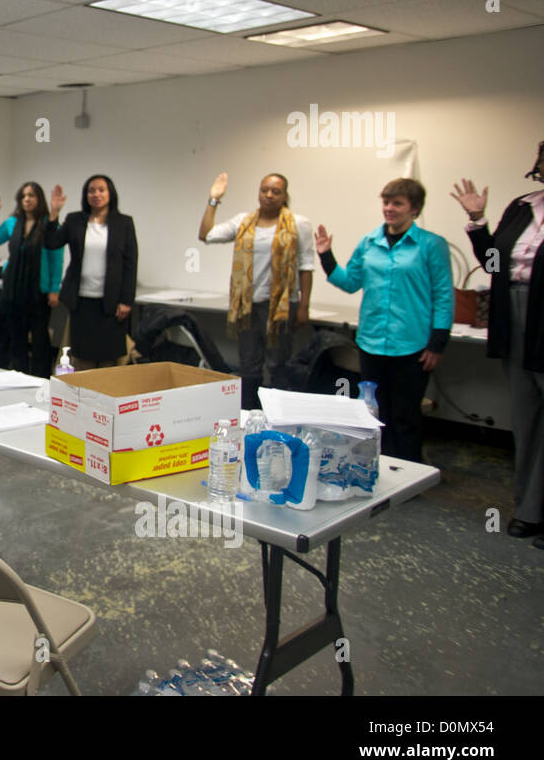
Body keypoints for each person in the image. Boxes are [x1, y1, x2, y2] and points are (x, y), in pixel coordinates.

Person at [316, 178, 453, 463]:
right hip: (371, 343)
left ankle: (408, 473)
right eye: (386, 202)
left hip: (412, 346)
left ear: (414, 209)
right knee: (374, 414)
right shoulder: (369, 243)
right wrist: (326, 256)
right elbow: (351, 282)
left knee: (406, 416)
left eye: (397, 203)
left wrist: (437, 343)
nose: (389, 208)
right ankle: (377, 470)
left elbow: (443, 295)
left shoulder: (431, 245)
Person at [451, 143, 544, 548]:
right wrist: (477, 220)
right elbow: (492, 264)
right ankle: (530, 511)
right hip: (517, 319)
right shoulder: (523, 206)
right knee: (527, 421)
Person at [199, 172, 315, 410]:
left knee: (277, 365)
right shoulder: (244, 221)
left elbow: (306, 265)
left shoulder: (298, 224)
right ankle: (248, 417)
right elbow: (206, 235)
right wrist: (213, 200)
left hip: (281, 307)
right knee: (249, 366)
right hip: (248, 306)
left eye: (276, 191)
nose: (269, 195)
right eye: (265, 190)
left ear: (285, 196)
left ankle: (277, 418)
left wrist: (304, 306)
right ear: (259, 192)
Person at [44, 175, 138, 370]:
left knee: (109, 358)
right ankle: (84, 396)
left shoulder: (124, 223)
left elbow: (131, 264)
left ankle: (107, 396)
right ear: (85, 195)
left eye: (101, 190)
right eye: (91, 190)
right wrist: (53, 213)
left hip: (112, 304)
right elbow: (51, 242)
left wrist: (127, 300)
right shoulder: (74, 220)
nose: (96, 194)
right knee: (83, 356)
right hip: (82, 301)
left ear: (110, 193)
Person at [0, 182, 63, 377]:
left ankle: (41, 381)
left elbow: (56, 258)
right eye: (23, 196)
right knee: (17, 339)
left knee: (39, 340)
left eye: (31, 195)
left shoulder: (49, 224)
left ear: (39, 199)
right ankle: (19, 379)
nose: (27, 199)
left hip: (38, 291)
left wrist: (54, 289)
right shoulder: (13, 222)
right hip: (13, 290)